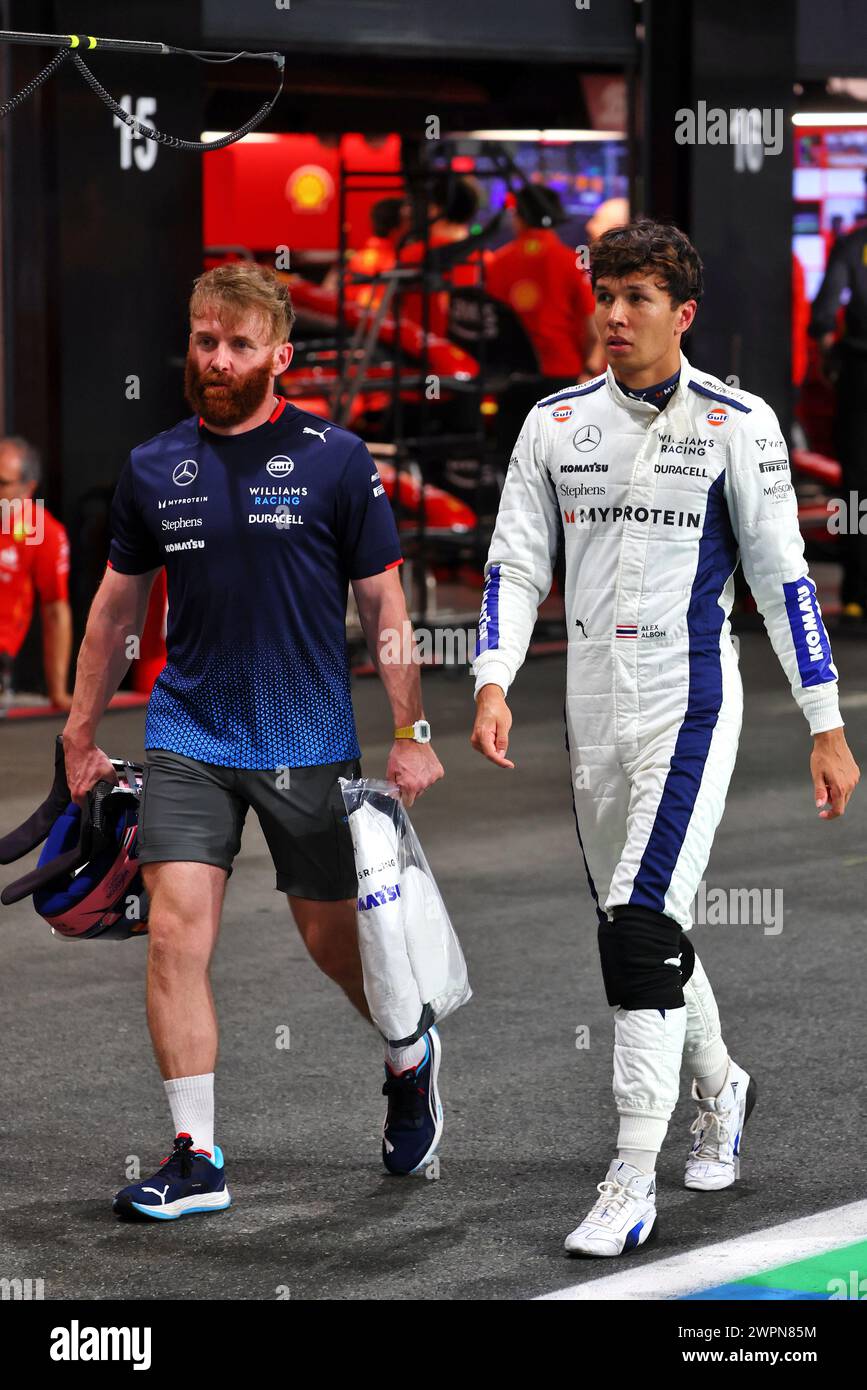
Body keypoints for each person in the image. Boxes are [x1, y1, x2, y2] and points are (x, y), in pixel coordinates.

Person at [471, 219, 859, 1257]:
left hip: (689, 703)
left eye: (637, 297)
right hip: (588, 709)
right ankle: (723, 1086)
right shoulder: (554, 423)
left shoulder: (739, 423)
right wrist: (493, 678)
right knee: (643, 918)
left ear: (682, 314)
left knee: (639, 926)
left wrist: (826, 725)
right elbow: (514, 563)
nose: (614, 314)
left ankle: (630, 1174)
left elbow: (784, 582)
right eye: (605, 294)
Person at [60, 261, 444, 1222]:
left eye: (238, 343)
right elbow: (114, 611)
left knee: (332, 943)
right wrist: (78, 730)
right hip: (188, 731)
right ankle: (196, 1157)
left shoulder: (335, 459)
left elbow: (383, 603)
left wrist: (410, 730)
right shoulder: (154, 466)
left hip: (303, 734)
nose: (217, 359)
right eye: (204, 340)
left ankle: (407, 1057)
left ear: (279, 355)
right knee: (174, 935)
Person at [486, 185, 606, 388]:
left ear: (519, 218)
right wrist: (591, 369)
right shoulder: (574, 263)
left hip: (510, 376)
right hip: (565, 371)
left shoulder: (497, 263)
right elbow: (593, 329)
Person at [809, 219, 867, 622]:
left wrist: (832, 357)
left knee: (857, 488)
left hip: (859, 376)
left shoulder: (853, 245)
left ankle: (857, 593)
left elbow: (825, 313)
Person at [0, 436, 72, 710]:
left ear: (27, 488)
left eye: (1, 483)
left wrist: (58, 693)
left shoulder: (44, 532)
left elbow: (55, 610)